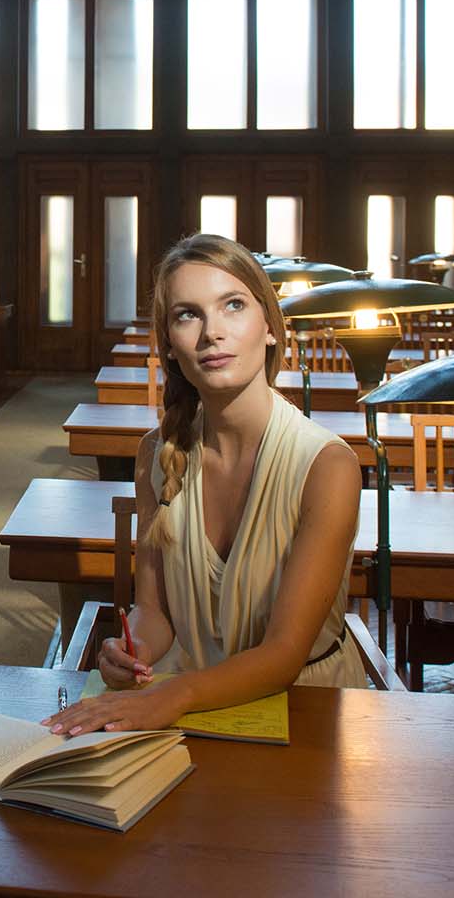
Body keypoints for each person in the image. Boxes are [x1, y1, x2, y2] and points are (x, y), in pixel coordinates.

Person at [43, 233, 366, 736]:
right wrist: (134, 650)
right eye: (187, 314)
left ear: (270, 327)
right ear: (171, 346)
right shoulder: (157, 452)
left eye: (233, 305)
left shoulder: (328, 466)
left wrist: (174, 696)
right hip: (186, 701)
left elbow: (283, 656)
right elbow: (154, 613)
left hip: (303, 711)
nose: (212, 332)